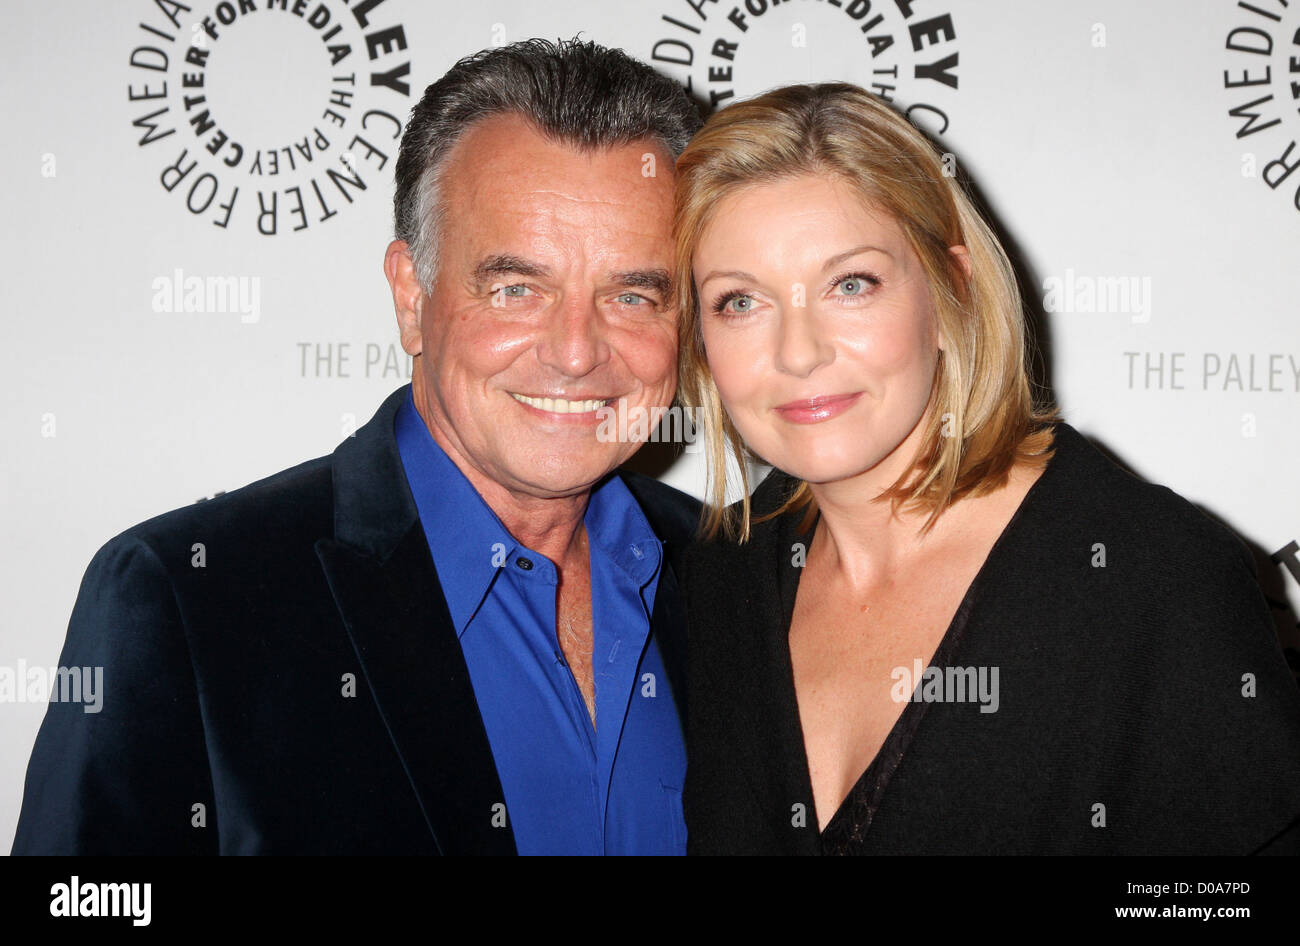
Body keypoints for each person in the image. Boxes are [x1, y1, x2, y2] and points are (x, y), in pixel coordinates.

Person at [12, 39, 702, 856]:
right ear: (412, 298)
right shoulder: (188, 600)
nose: (577, 352)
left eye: (632, 295)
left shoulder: (737, 576)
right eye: (517, 288)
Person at [672, 82, 1300, 855]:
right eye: (740, 301)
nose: (798, 352)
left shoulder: (1149, 576)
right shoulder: (719, 581)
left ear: (952, 292)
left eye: (851, 285)